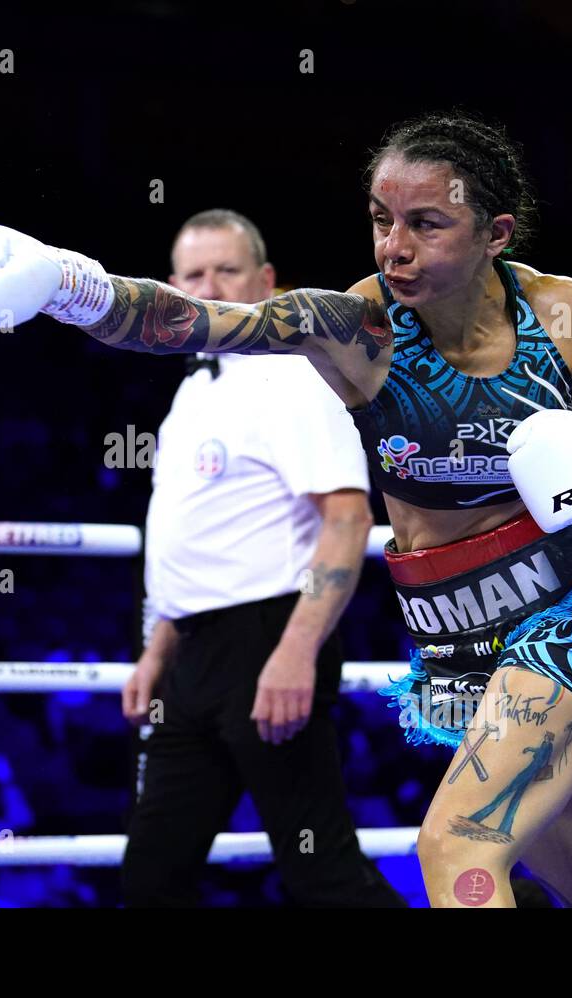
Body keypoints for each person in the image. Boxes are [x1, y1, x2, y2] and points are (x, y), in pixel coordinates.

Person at [0, 111, 572, 908]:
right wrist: (70, 286)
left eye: (426, 224)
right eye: (380, 219)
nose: (393, 247)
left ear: (494, 233)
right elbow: (199, 322)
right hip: (457, 637)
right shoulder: (359, 328)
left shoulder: (558, 309)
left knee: (457, 849)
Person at [121, 209, 404, 907]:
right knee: (151, 879)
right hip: (191, 657)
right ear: (171, 288)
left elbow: (347, 519)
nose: (209, 285)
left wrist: (296, 649)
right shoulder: (193, 389)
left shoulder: (293, 374)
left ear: (267, 281)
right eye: (194, 275)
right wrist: (158, 652)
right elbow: (194, 542)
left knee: (323, 872)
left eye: (227, 270)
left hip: (268, 642)